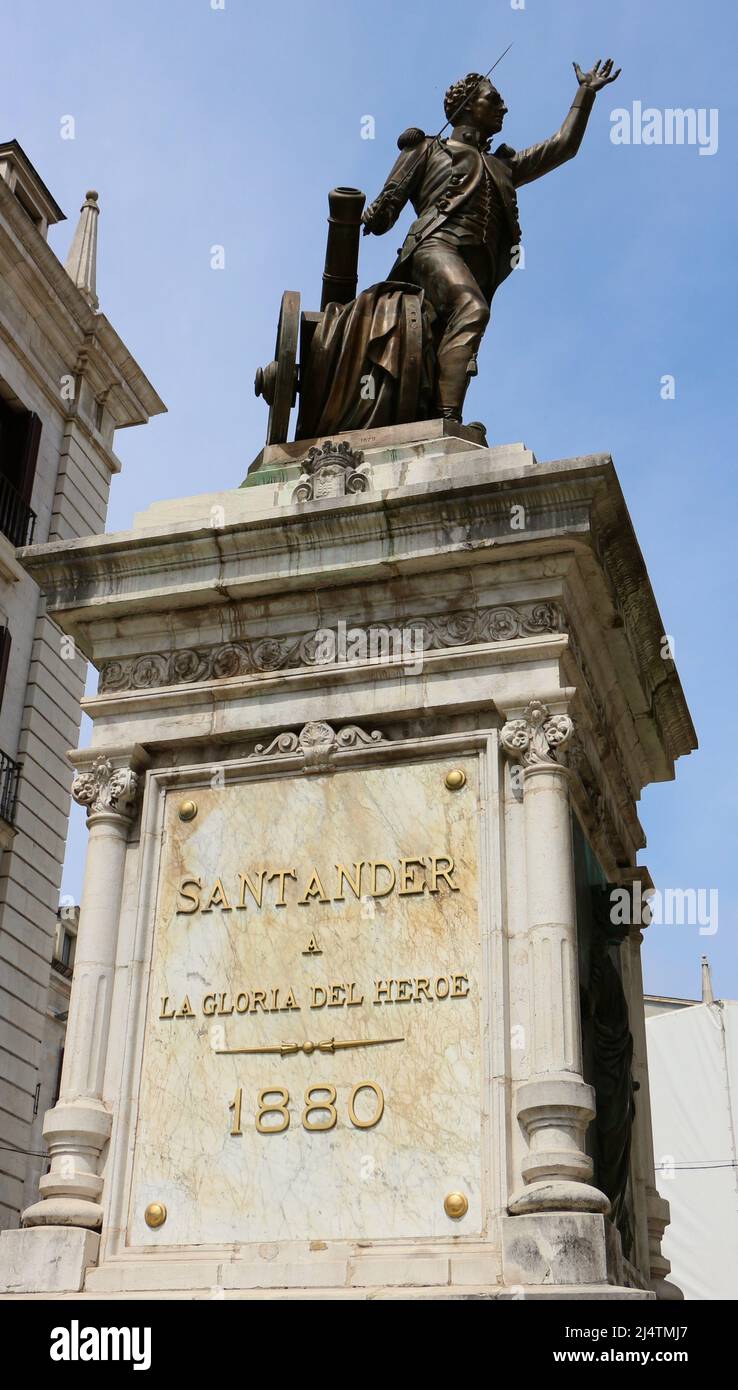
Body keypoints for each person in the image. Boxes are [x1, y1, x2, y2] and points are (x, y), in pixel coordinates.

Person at [362, 59, 621, 422]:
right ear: (468, 103)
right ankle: (447, 419)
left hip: (477, 268)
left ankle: (428, 417)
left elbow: (563, 146)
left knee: (448, 338)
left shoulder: (504, 165)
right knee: (473, 309)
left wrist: (585, 94)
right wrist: (376, 213)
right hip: (434, 247)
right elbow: (387, 211)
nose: (504, 107)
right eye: (494, 99)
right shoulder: (426, 149)